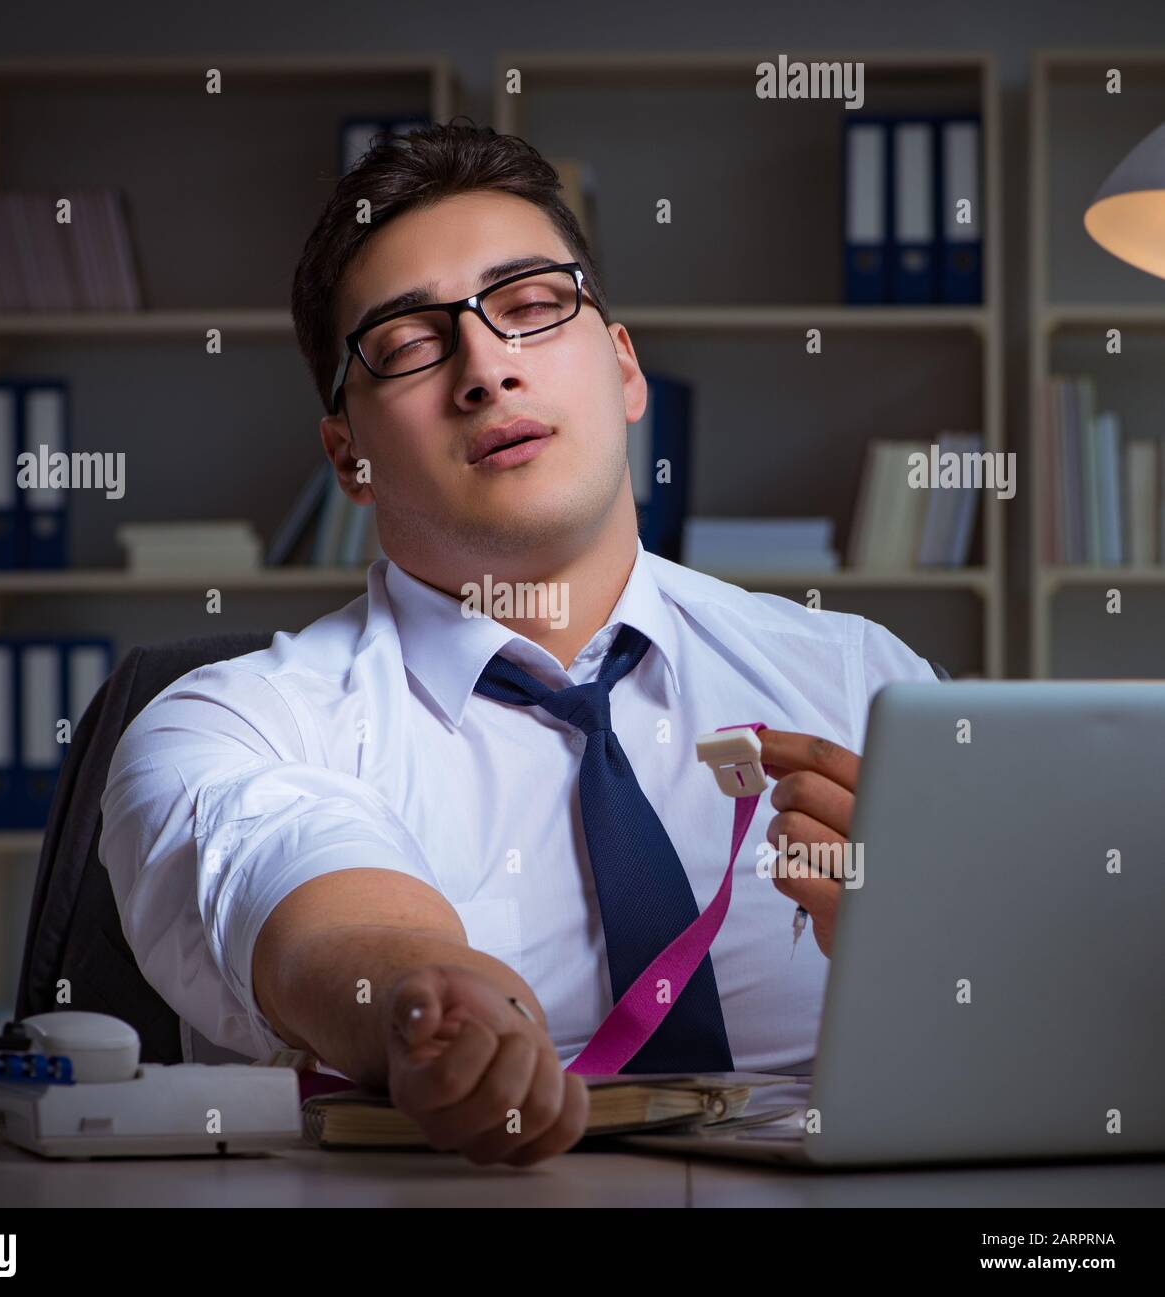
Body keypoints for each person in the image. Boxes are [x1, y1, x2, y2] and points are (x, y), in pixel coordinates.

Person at [99, 121, 939, 1169]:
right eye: (408, 343)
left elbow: (1058, 1013)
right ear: (347, 456)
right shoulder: (229, 721)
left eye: (533, 306)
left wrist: (947, 956)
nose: (485, 366)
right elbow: (312, 893)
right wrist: (429, 999)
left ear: (625, 368)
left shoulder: (865, 682)